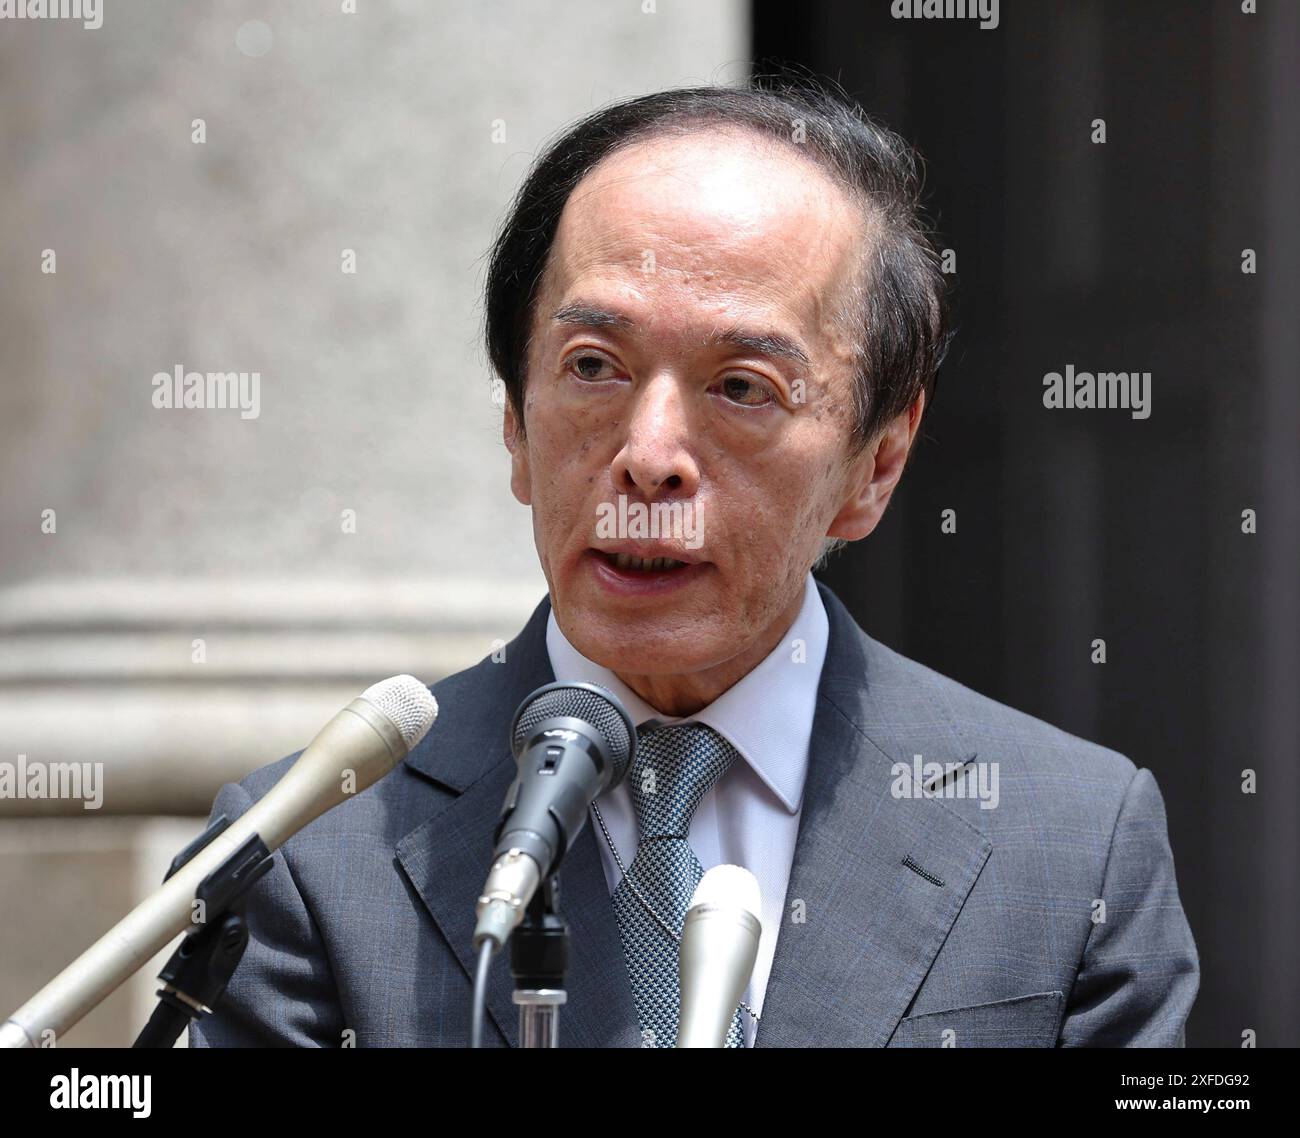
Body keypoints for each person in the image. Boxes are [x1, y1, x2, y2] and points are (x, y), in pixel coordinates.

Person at [190, 79, 1198, 1049]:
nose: (650, 454)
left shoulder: (1066, 841)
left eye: (741, 385)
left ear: (877, 460)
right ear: (513, 422)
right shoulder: (312, 851)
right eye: (593, 367)